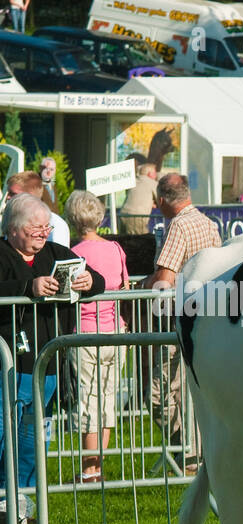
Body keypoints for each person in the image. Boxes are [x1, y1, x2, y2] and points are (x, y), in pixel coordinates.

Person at [0, 194, 105, 501]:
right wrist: (26, 288)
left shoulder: (56, 252)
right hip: (7, 364)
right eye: (36, 229)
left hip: (44, 368)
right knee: (4, 436)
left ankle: (23, 502)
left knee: (33, 439)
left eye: (46, 227)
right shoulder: (2, 253)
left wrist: (89, 282)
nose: (44, 234)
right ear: (14, 229)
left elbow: (97, 280)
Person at [145, 173, 220, 473]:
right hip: (207, 319)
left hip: (179, 320)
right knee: (192, 392)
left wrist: (143, 294)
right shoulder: (209, 223)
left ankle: (187, 453)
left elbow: (164, 279)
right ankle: (196, 453)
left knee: (157, 392)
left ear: (162, 200)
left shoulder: (177, 225)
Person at [66, 190, 129, 483]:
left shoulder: (73, 253)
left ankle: (90, 471)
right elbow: (126, 286)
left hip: (85, 334)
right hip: (115, 331)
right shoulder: (116, 249)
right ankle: (96, 467)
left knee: (88, 401)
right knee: (107, 400)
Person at [6, 172, 70, 247]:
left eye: (13, 194)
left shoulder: (54, 224)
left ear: (29, 196)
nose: (8, 197)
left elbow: (59, 255)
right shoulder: (12, 220)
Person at [121, 161, 158, 236]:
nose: (156, 174)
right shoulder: (152, 183)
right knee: (141, 241)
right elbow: (160, 200)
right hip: (137, 217)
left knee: (124, 241)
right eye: (155, 172)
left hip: (122, 214)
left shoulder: (133, 181)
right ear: (150, 174)